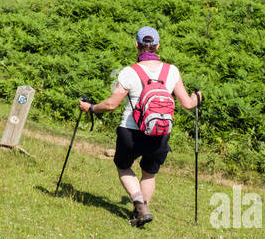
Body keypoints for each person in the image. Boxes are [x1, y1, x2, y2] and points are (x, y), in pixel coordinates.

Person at [79, 26, 198, 227]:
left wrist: (91, 108)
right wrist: (198, 97)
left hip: (131, 131)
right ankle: (143, 209)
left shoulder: (129, 72)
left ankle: (139, 205)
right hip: (160, 133)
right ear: (158, 46)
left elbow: (111, 105)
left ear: (137, 45)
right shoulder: (172, 71)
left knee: (123, 166)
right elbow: (188, 104)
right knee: (149, 173)